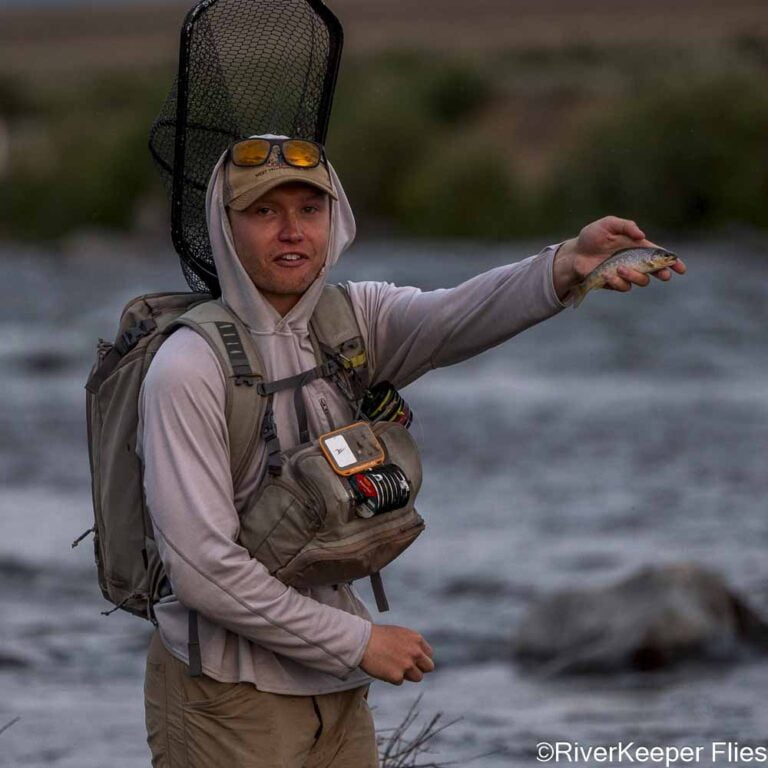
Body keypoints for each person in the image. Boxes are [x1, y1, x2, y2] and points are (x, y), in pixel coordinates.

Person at [137, 133, 686, 767]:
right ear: (224, 229)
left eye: (308, 210)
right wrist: (358, 641)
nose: (291, 231)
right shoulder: (187, 367)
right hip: (226, 697)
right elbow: (203, 571)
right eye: (264, 212)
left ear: (334, 219)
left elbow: (458, 314)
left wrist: (565, 264)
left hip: (337, 691)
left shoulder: (354, 321)